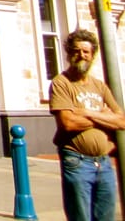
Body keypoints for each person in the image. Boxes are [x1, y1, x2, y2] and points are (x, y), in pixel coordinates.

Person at [49, 29, 125, 221]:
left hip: (105, 163)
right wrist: (104, 117)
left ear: (93, 55)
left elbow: (122, 121)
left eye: (86, 51)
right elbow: (68, 122)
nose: (81, 55)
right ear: (68, 53)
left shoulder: (99, 85)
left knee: (106, 217)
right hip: (77, 162)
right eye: (76, 51)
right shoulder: (61, 83)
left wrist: (88, 113)